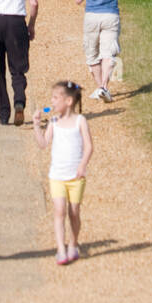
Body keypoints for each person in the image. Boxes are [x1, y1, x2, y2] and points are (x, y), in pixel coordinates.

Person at [32, 81, 93, 265]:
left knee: (74, 212)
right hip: (57, 175)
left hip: (75, 177)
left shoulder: (80, 121)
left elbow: (89, 146)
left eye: (55, 98)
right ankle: (60, 248)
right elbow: (43, 144)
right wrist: (36, 125)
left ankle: (73, 244)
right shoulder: (53, 122)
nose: (52, 101)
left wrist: (83, 165)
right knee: (59, 211)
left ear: (68, 101)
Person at [75, 0, 131, 101]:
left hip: (92, 16)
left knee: (92, 54)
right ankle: (103, 88)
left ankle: (100, 87)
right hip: (111, 15)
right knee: (109, 53)